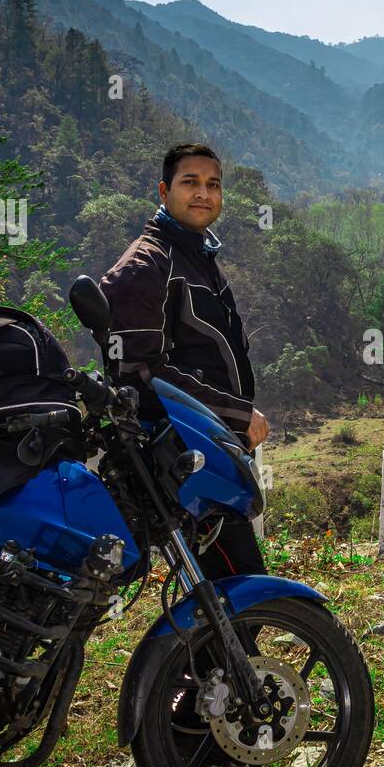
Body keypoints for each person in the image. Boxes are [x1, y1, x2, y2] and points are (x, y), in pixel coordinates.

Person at [100, 143, 270, 579]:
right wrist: (235, 414)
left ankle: (200, 651)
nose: (203, 194)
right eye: (190, 182)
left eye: (213, 185)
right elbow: (138, 373)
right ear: (163, 191)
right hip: (181, 452)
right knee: (235, 584)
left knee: (221, 588)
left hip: (208, 446)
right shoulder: (147, 263)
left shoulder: (198, 257)